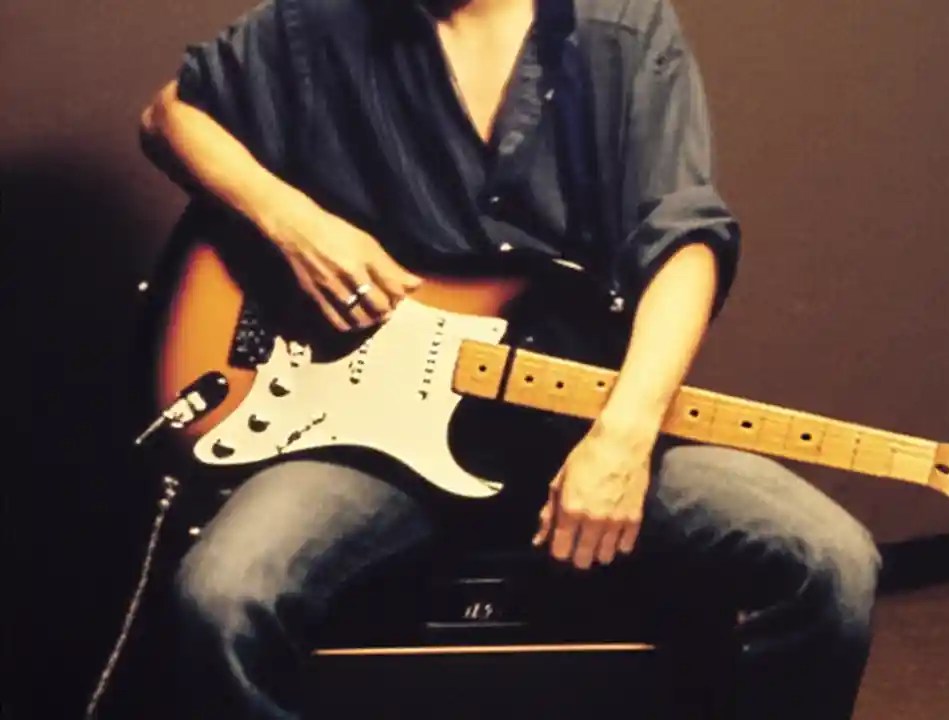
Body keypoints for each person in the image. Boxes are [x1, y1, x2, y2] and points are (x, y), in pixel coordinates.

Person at [139, 0, 881, 717]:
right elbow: (169, 116)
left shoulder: (621, 24)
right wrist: (291, 221)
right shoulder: (319, 21)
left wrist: (621, 441)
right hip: (371, 442)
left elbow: (684, 241)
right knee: (223, 596)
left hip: (581, 427)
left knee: (831, 565)